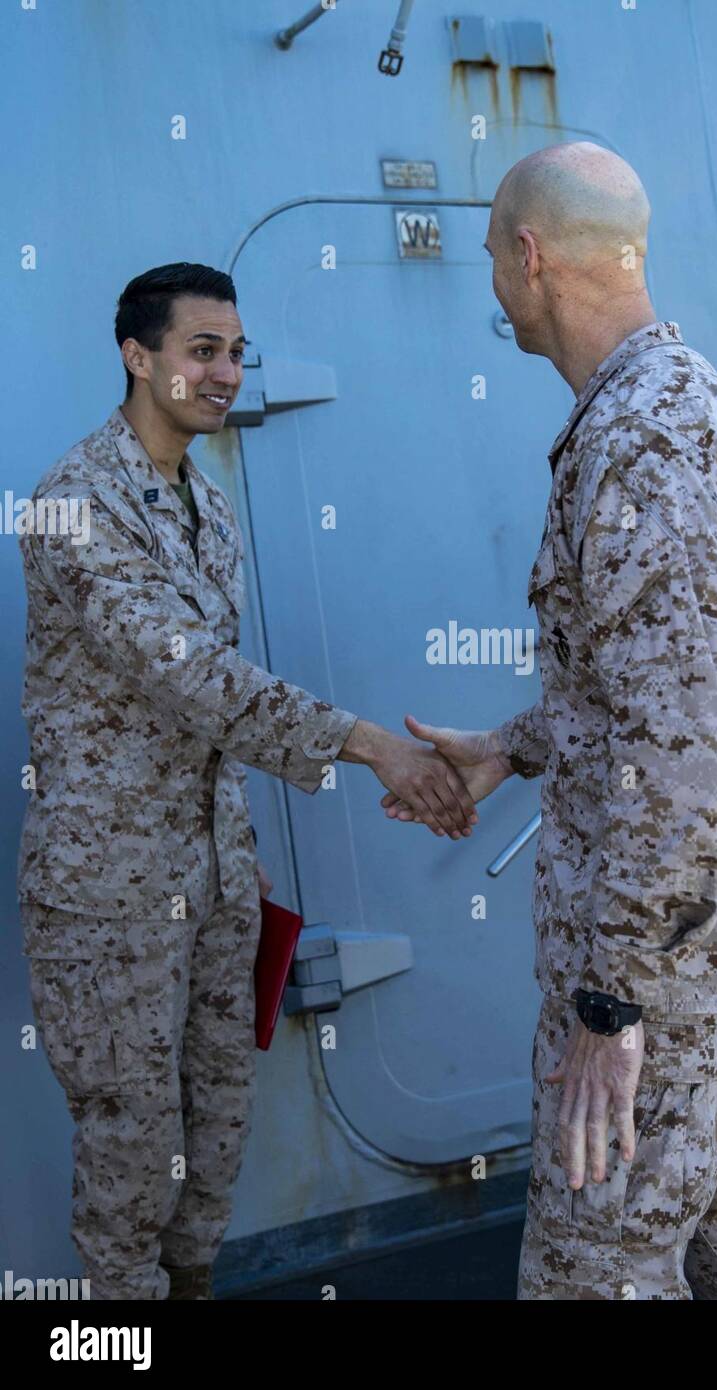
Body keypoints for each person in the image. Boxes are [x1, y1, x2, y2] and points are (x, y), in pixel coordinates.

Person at [381, 142, 717, 1299]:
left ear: (531, 257)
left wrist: (611, 1002)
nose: (496, 285)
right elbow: (675, 686)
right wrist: (509, 745)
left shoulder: (641, 435)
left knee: (594, 1272)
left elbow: (687, 741)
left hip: (676, 974)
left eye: (496, 258)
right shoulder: (699, 405)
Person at [17, 262, 477, 1301]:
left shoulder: (208, 509)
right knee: (133, 1148)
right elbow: (196, 679)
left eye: (237, 352)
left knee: (216, 1132)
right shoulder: (68, 507)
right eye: (203, 350)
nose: (226, 373)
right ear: (139, 357)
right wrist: (373, 746)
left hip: (215, 877)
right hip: (111, 891)